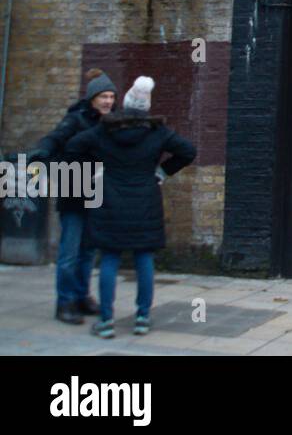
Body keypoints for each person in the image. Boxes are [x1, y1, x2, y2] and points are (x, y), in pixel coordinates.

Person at [65, 76, 196, 339]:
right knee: (144, 259)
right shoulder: (158, 132)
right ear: (146, 106)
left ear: (125, 104)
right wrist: (161, 171)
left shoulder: (105, 130)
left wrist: (97, 167)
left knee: (110, 259)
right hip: (145, 202)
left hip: (111, 201)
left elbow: (73, 147)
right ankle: (142, 318)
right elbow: (188, 151)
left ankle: (106, 320)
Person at [28, 68, 115, 325]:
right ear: (92, 98)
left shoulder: (110, 122)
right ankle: (64, 302)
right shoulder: (76, 119)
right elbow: (54, 139)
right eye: (103, 97)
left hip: (96, 190)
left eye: (111, 97)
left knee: (88, 251)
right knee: (69, 251)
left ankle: (81, 296)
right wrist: (41, 152)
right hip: (74, 188)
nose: (108, 101)